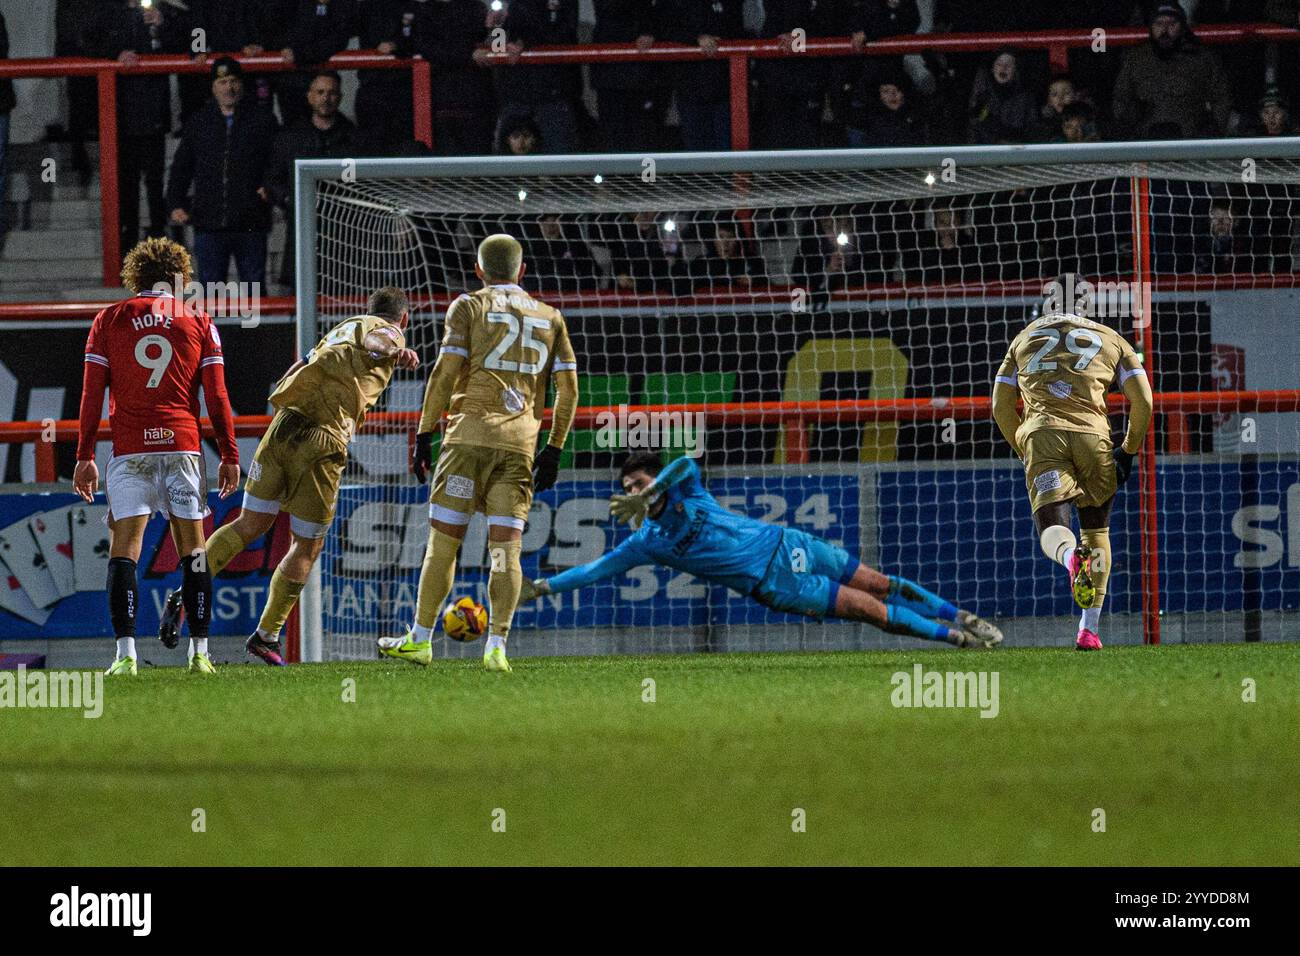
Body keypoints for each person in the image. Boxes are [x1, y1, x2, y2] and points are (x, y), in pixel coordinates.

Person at [157, 287, 417, 662]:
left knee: (249, 523)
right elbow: (379, 340)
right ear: (403, 318)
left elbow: (297, 368)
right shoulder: (386, 330)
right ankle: (266, 635)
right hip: (322, 440)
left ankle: (188, 588)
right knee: (307, 545)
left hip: (282, 426)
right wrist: (397, 350)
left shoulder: (341, 329)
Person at [520, 452, 1003, 650]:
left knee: (878, 582)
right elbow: (595, 570)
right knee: (869, 610)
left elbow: (686, 460)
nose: (633, 490)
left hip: (788, 541)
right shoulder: (648, 542)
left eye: (638, 483)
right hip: (776, 584)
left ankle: (961, 615)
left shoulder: (688, 492)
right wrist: (541, 587)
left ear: (652, 484)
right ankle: (955, 639)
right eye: (627, 487)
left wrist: (648, 492)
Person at [381, 234, 579, 673]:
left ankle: (420, 640)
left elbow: (445, 369)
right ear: (522, 271)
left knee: (443, 544)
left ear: (478, 270)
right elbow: (569, 389)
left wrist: (423, 433)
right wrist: (554, 448)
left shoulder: (468, 306)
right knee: (506, 549)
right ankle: (496, 648)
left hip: (467, 440)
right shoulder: (551, 317)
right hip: (519, 447)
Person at [73, 238, 240, 676]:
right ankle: (199, 653)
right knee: (195, 552)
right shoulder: (200, 320)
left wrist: (85, 454)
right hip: (182, 445)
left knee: (124, 550)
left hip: (132, 450)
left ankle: (125, 655)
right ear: (180, 278)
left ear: (136, 277)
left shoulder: (108, 319)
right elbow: (217, 395)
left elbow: (92, 394)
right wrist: (228, 452)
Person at [991, 292, 1154, 651]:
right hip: (1094, 438)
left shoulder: (1023, 338)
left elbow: (999, 405)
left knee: (1053, 529)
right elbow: (1144, 401)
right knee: (1097, 531)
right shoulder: (1112, 338)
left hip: (1043, 434)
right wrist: (1127, 452)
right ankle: (1089, 629)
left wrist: (1025, 448)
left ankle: (1069, 557)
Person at [166, 57, 278, 286]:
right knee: (210, 293)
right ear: (213, 87)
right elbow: (181, 167)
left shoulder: (263, 121)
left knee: (253, 292)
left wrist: (269, 188)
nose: (229, 87)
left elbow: (276, 162)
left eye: (234, 81)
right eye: (223, 82)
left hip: (251, 221)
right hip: (208, 222)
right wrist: (175, 203)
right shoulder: (198, 122)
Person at [264, 71, 357, 287]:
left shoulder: (354, 138)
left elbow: (356, 182)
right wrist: (290, 201)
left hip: (343, 234)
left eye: (332, 93)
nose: (326, 98)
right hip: (302, 230)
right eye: (320, 92)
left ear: (340, 97)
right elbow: (273, 178)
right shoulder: (291, 137)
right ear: (309, 96)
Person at [1111, 4, 1232, 139]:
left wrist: (1213, 131)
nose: (1165, 30)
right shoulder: (1136, 58)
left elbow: (1221, 98)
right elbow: (1120, 98)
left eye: (1172, 24)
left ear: (1182, 27)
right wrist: (1129, 124)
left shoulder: (1203, 58)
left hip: (1191, 137)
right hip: (1144, 138)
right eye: (1159, 24)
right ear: (1151, 27)